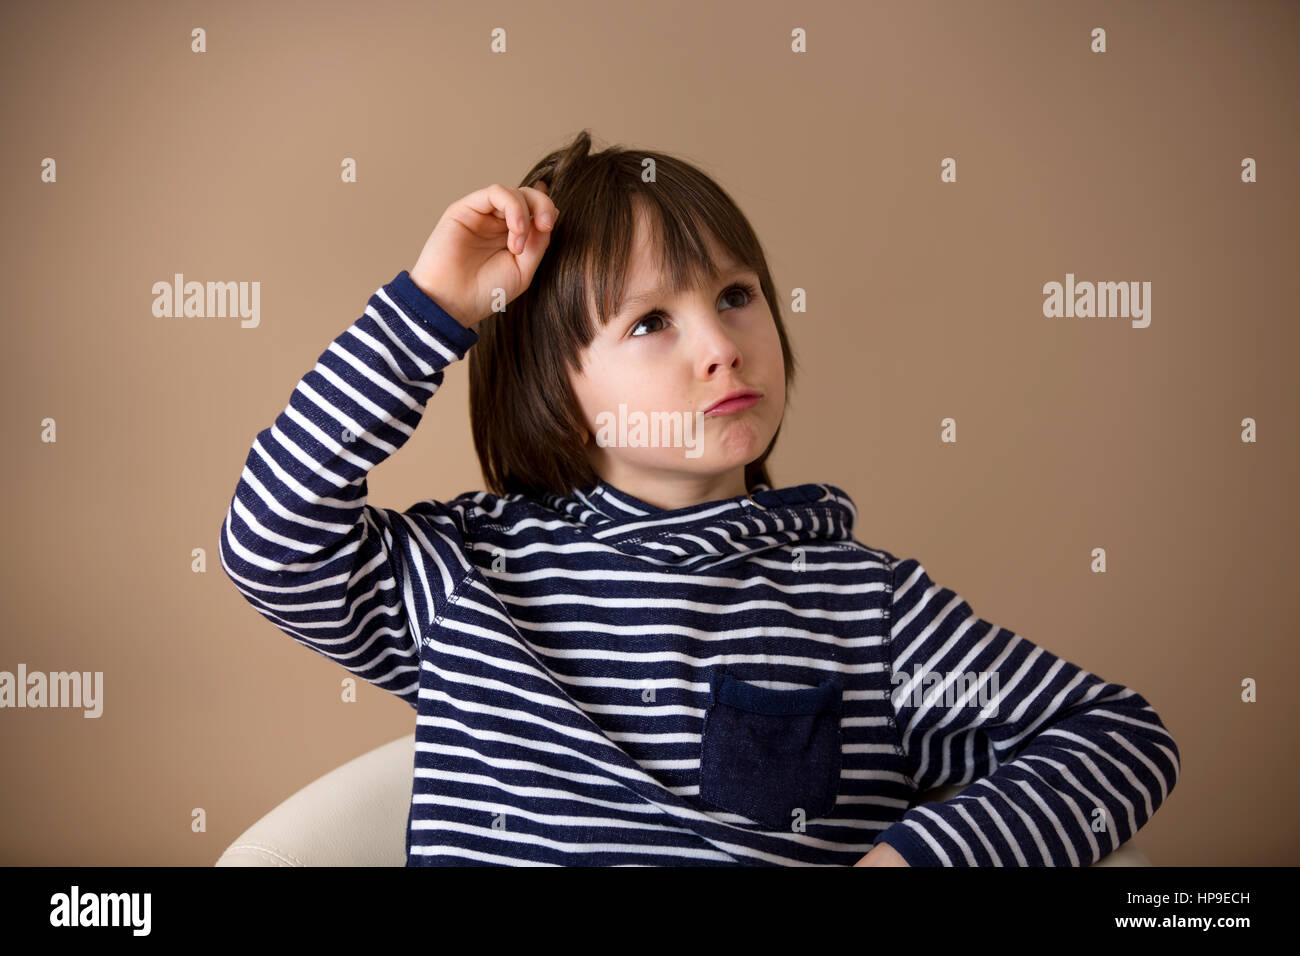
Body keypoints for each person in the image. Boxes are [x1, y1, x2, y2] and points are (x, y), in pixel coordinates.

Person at [217, 130, 1180, 866]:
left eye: (734, 295)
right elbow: (270, 542)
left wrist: (912, 860)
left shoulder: (865, 607)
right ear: (554, 391)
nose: (720, 345)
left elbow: (1115, 737)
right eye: (650, 323)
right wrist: (430, 307)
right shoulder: (467, 575)